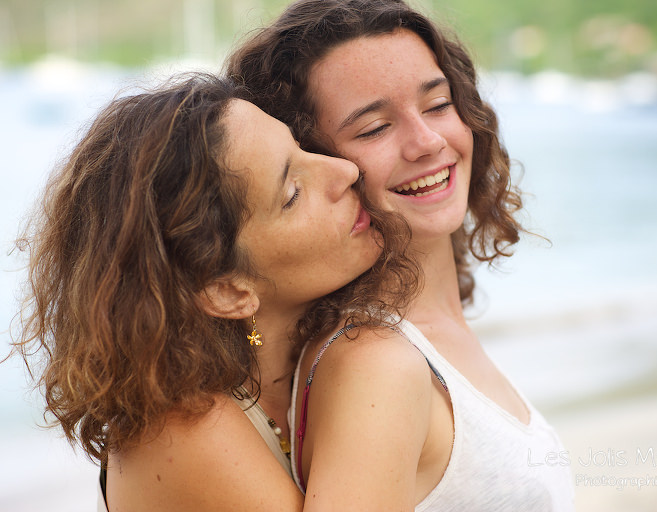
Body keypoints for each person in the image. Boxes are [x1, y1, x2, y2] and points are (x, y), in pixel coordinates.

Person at [13, 72, 419, 511]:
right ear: (226, 290)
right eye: (292, 193)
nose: (345, 170)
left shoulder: (308, 367)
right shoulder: (185, 430)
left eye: (302, 148)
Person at [227, 0, 575, 510]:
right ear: (318, 165)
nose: (428, 141)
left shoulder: (422, 335)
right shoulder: (375, 363)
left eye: (437, 105)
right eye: (374, 129)